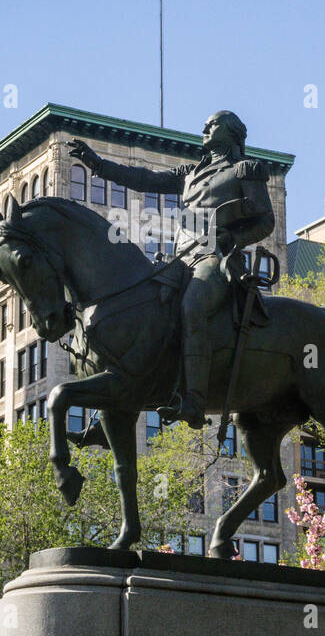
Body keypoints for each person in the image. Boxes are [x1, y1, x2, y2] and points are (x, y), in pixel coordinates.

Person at [68, 110, 273, 428]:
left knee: (192, 307)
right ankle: (121, 396)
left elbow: (266, 222)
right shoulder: (190, 174)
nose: (205, 127)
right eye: (204, 123)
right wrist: (98, 165)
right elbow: (143, 178)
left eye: (213, 123)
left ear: (232, 131)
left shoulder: (245, 170)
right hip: (181, 259)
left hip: (215, 259)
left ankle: (194, 401)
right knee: (146, 306)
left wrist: (232, 236)